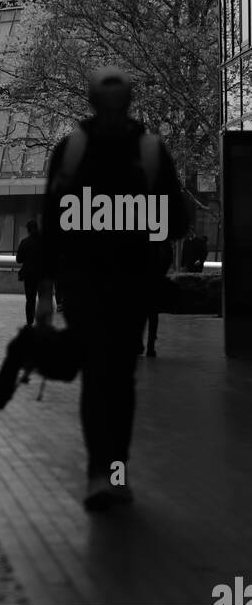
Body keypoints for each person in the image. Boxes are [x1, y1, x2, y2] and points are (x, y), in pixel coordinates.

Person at [36, 67, 187, 512]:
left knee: (100, 376)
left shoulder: (72, 150)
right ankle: (111, 473)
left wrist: (46, 287)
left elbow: (53, 223)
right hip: (129, 283)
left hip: (87, 283)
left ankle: (102, 473)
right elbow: (174, 220)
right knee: (117, 377)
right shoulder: (150, 150)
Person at [138, 237, 174, 358]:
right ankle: (150, 347)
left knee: (141, 315)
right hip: (154, 282)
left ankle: (141, 345)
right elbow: (168, 257)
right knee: (152, 316)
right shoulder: (161, 242)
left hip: (143, 283)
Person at [16, 219, 45, 327]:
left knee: (30, 300)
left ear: (28, 230)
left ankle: (30, 322)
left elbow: (19, 259)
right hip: (42, 274)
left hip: (29, 275)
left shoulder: (25, 242)